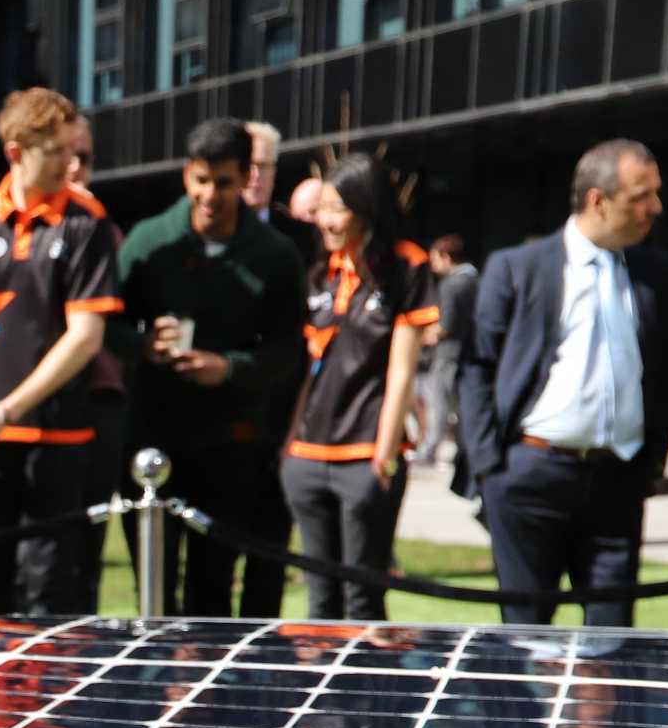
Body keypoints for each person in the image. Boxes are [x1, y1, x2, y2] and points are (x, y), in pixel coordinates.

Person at [458, 139, 668, 628]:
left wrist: (651, 461)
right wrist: (490, 468)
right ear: (598, 200)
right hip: (530, 476)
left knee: (614, 642)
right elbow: (475, 368)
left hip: (617, 479)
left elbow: (665, 373)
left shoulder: (654, 274)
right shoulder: (518, 267)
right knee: (525, 641)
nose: (656, 208)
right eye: (642, 195)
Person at [105, 116, 306, 617]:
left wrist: (231, 368)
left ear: (245, 179)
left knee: (211, 592)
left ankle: (204, 696)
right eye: (200, 180)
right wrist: (144, 344)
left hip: (230, 448)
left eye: (223, 182)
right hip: (152, 438)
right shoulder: (150, 241)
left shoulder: (276, 256)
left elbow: (288, 352)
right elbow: (105, 325)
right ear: (186, 176)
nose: (210, 195)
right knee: (151, 589)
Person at [0, 87, 120, 619]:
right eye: (58, 151)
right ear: (16, 152)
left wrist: (5, 411)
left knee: (49, 596)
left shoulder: (87, 222)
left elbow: (85, 337)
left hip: (58, 437)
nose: (72, 162)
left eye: (75, 150)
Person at [281, 155, 438, 621]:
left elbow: (401, 371)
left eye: (336, 208)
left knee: (363, 600)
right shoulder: (320, 272)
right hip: (307, 459)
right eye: (321, 209)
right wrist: (290, 448)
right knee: (320, 601)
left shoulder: (406, 266)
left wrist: (384, 456)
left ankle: (365, 696)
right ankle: (321, 696)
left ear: (365, 207)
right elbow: (308, 370)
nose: (325, 220)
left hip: (365, 459)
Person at [58, 111, 128, 611]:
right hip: (35, 414)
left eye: (85, 156)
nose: (75, 167)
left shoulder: (106, 232)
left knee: (83, 557)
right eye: (66, 154)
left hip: (97, 403)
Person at [419, 234, 477, 469]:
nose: (432, 264)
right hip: (469, 350)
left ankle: (429, 449)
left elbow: (446, 325)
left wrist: (420, 336)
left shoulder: (452, 284)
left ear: (446, 257)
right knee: (461, 406)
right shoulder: (475, 279)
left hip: (447, 352)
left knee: (439, 404)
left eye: (434, 258)